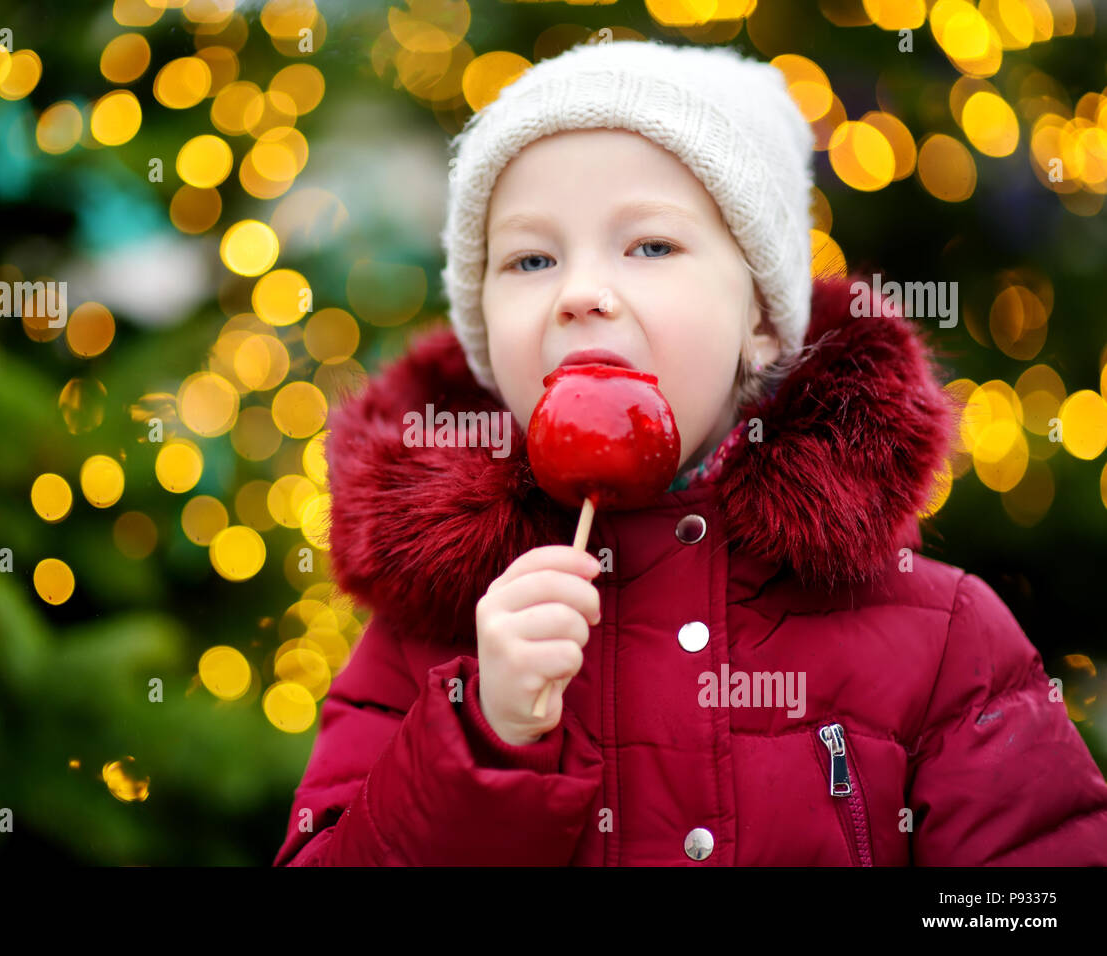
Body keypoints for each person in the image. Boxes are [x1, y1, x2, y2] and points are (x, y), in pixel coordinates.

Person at [272, 39, 1107, 865]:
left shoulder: (943, 640)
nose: (580, 294)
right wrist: (485, 737)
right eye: (531, 259)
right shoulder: (430, 639)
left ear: (760, 321)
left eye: (650, 247)